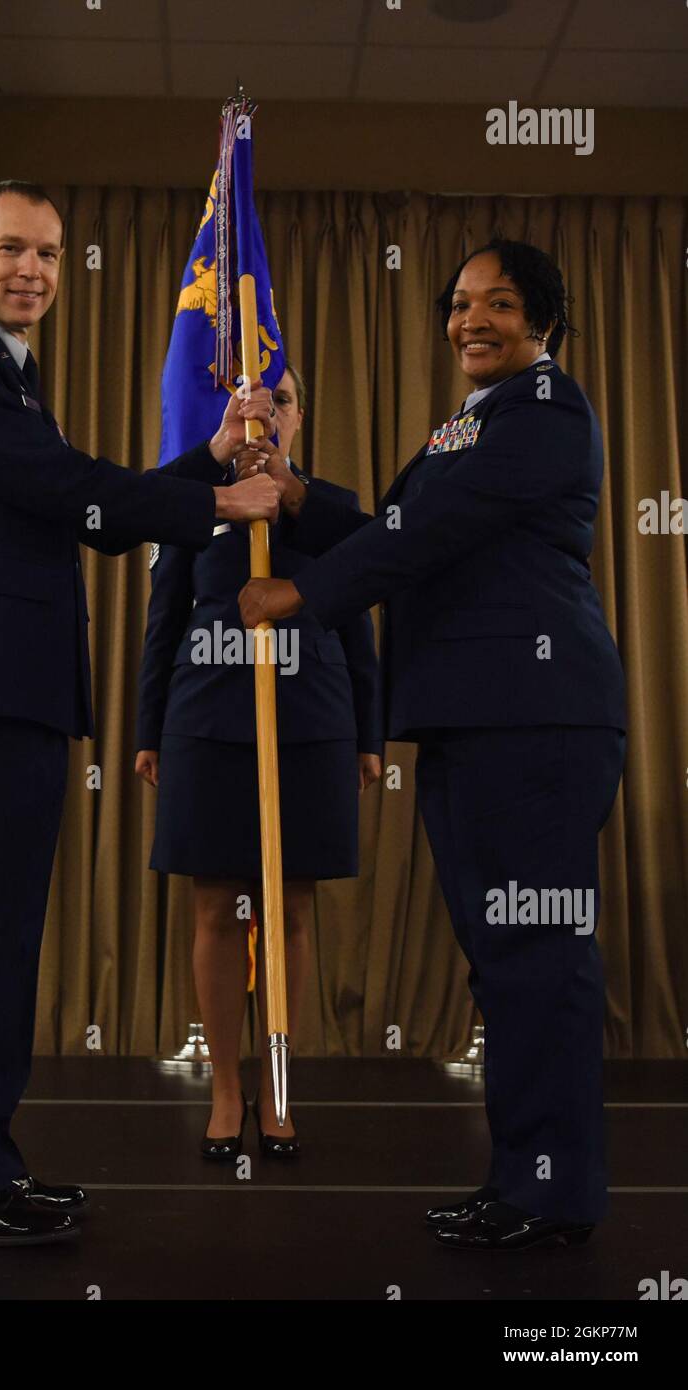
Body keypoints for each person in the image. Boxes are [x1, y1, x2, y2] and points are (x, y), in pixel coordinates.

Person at [0, 179, 278, 1246]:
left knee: (7, 941)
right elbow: (64, 490)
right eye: (13, 248)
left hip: (17, 694)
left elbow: (79, 500)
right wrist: (211, 499)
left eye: (52, 255)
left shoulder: (13, 372)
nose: (34, 271)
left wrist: (206, 460)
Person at [237, 240, 627, 1251]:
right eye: (459, 305)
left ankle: (554, 1190)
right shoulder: (473, 418)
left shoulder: (547, 410)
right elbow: (405, 522)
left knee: (539, 957)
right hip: (475, 721)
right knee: (503, 964)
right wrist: (300, 500)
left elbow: (426, 531)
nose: (472, 322)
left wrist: (301, 592)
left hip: (536, 721)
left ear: (541, 321)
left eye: (498, 304)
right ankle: (522, 1180)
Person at [135, 366, 382, 1159]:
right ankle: (225, 1090)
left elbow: (355, 626)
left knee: (291, 912)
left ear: (298, 414)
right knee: (215, 909)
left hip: (311, 723)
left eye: (279, 398)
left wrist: (369, 736)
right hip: (205, 724)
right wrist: (148, 729)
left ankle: (277, 1090)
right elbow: (164, 620)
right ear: (229, 412)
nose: (264, 410)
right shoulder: (194, 504)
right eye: (250, 398)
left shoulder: (331, 509)